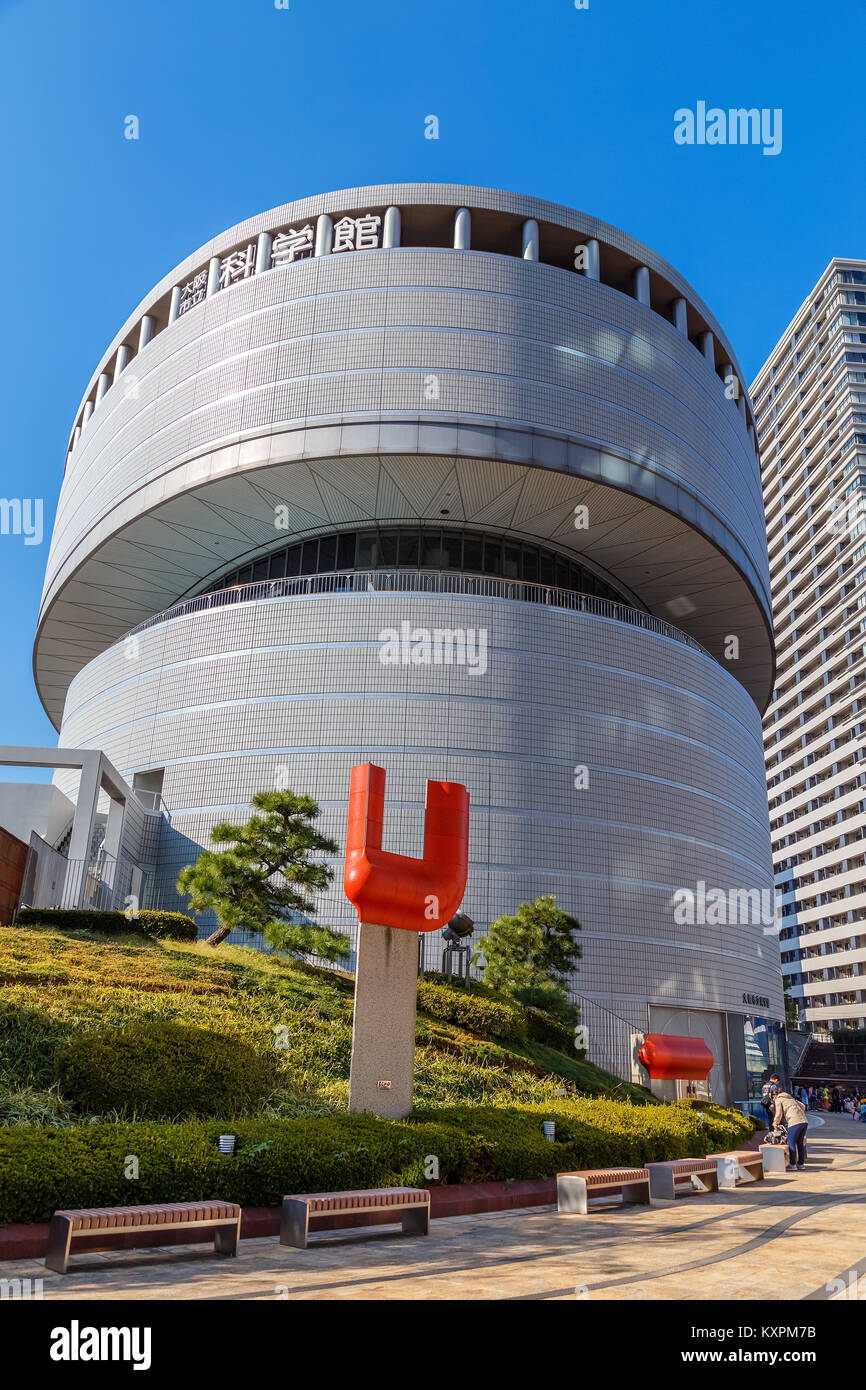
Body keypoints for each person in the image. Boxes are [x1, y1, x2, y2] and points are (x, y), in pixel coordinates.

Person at [772, 1087, 809, 1169]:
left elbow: (778, 1113)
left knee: (790, 1142)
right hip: (804, 1121)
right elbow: (803, 1106)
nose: (773, 1101)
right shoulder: (790, 1097)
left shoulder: (779, 1099)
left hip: (794, 1122)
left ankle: (792, 1164)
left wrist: (775, 1123)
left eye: (773, 1099)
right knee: (800, 1143)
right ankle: (801, 1164)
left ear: (774, 1095)